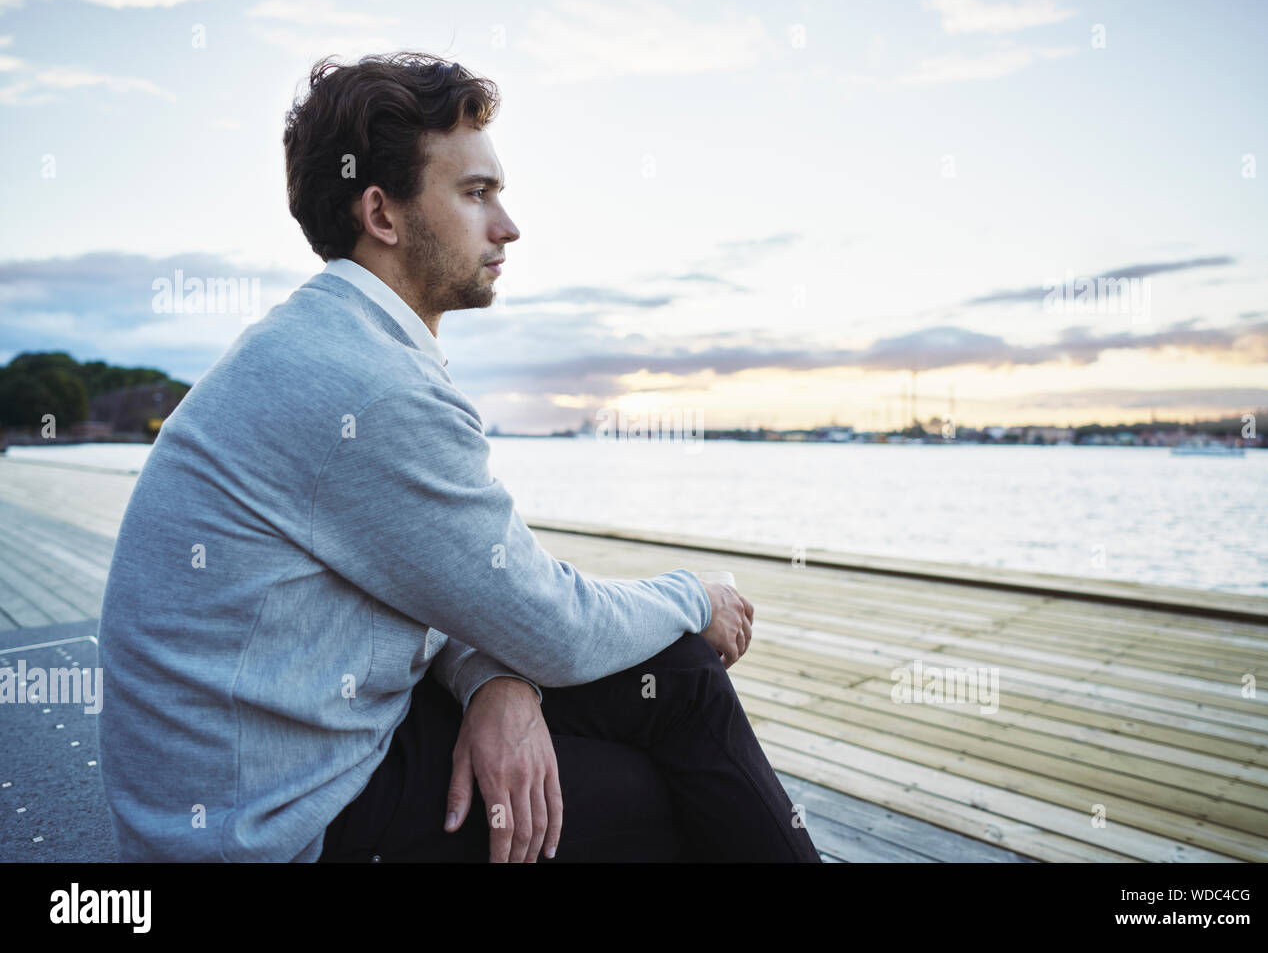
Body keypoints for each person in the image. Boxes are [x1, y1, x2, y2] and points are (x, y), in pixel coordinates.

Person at [96, 51, 820, 863]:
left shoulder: (324, 343)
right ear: (383, 213)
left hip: (290, 763)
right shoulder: (370, 388)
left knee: (675, 679)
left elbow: (458, 593)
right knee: (648, 783)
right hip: (277, 833)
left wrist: (496, 682)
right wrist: (697, 594)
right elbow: (557, 626)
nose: (507, 226)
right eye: (476, 193)